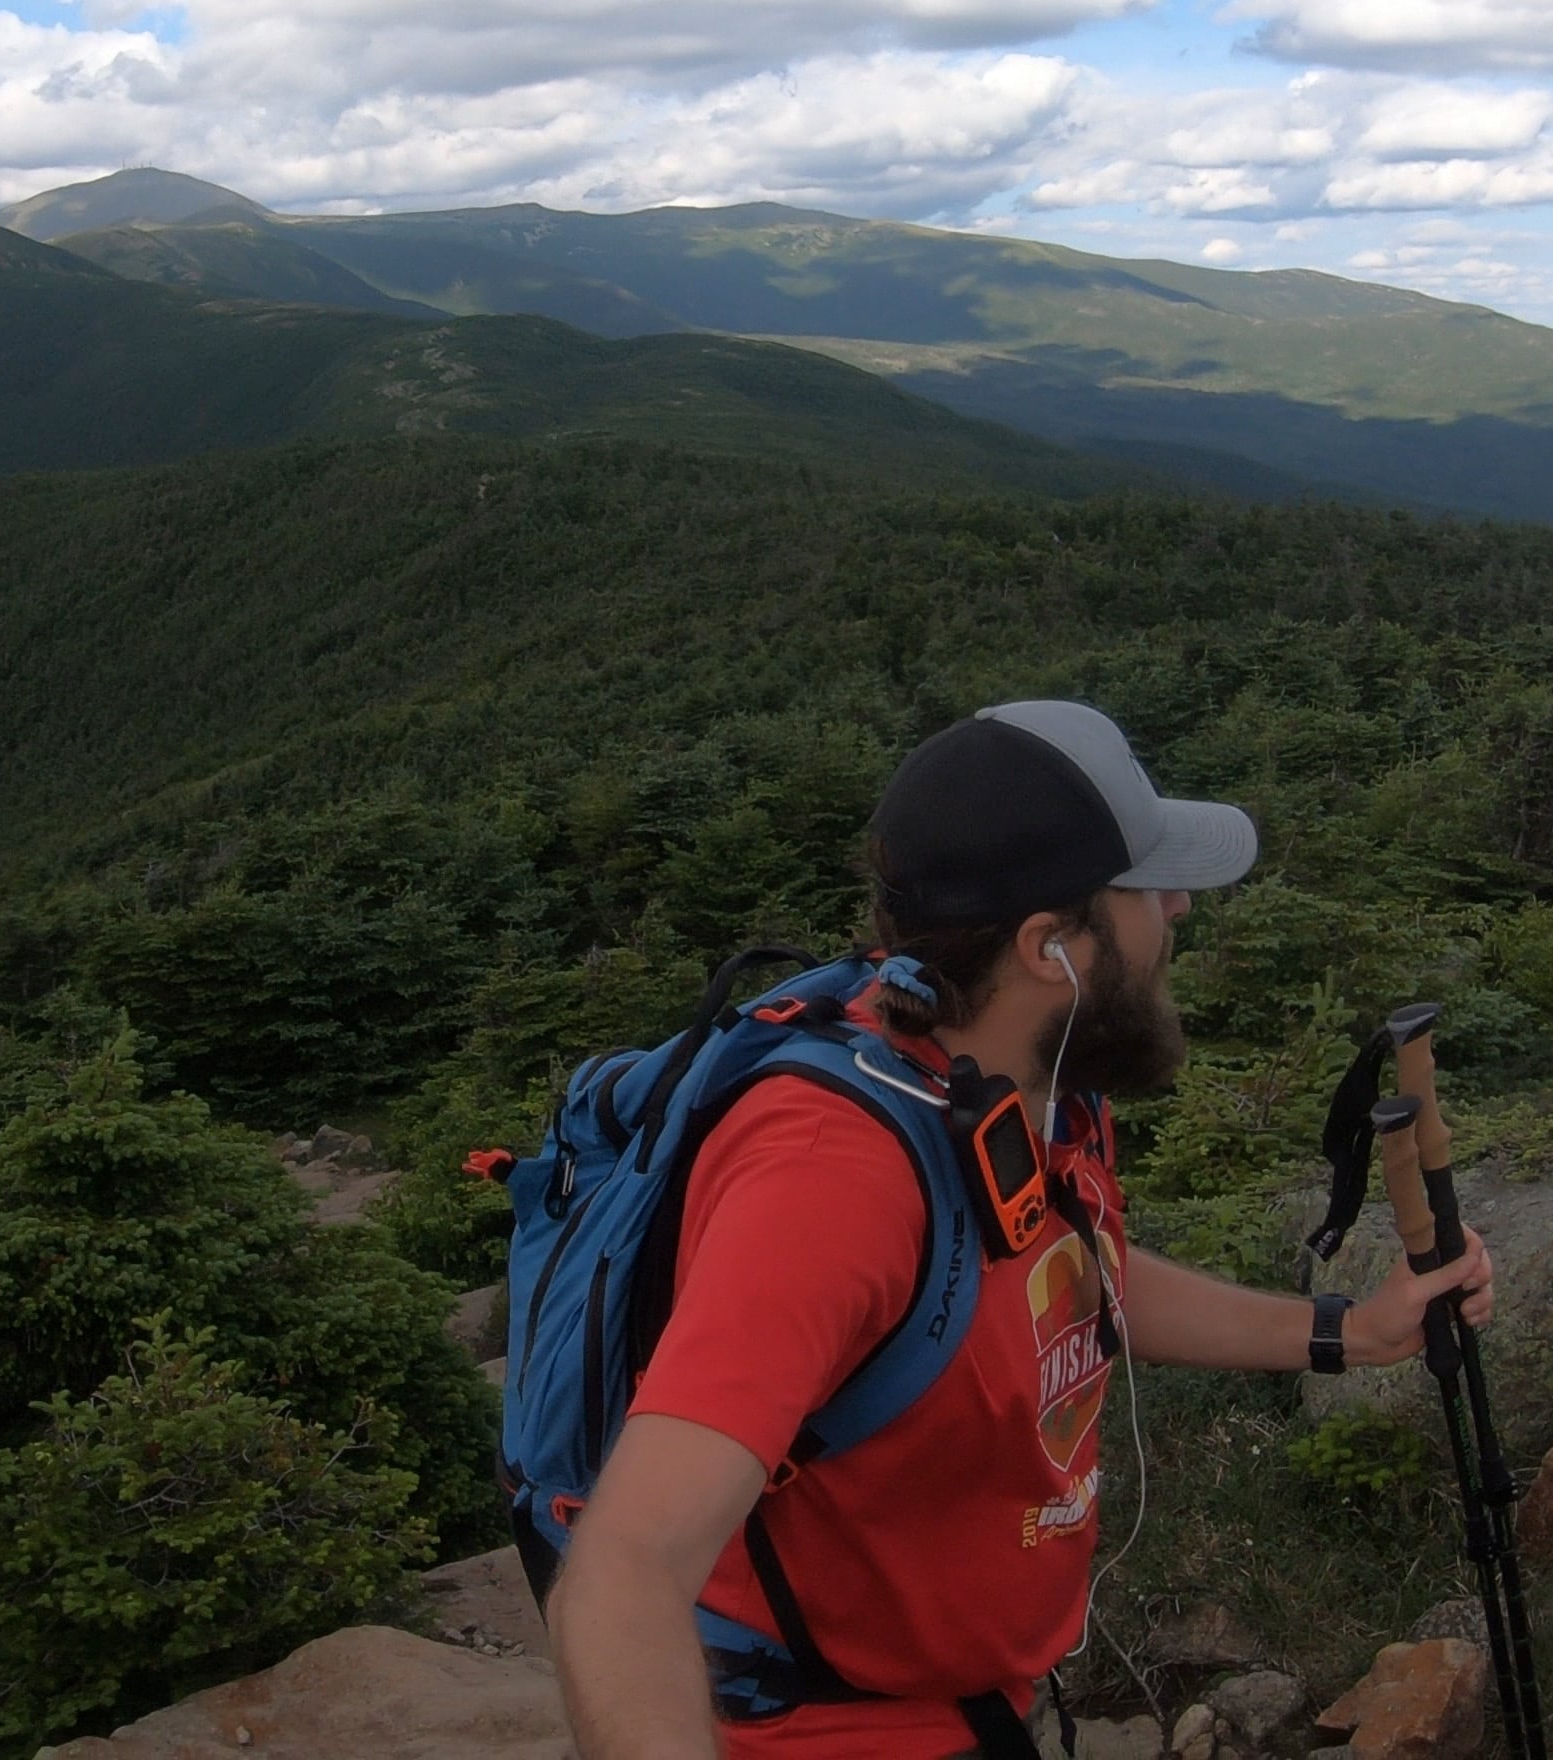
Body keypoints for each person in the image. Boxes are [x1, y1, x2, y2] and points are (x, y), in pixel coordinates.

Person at [545, 701, 1500, 1760]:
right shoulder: (833, 1178)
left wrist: (1348, 1333)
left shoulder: (1027, 1078)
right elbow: (628, 1566)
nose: (1180, 906)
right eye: (1147, 889)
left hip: (980, 1705)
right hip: (843, 1731)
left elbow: (1068, 1278)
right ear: (1052, 946)